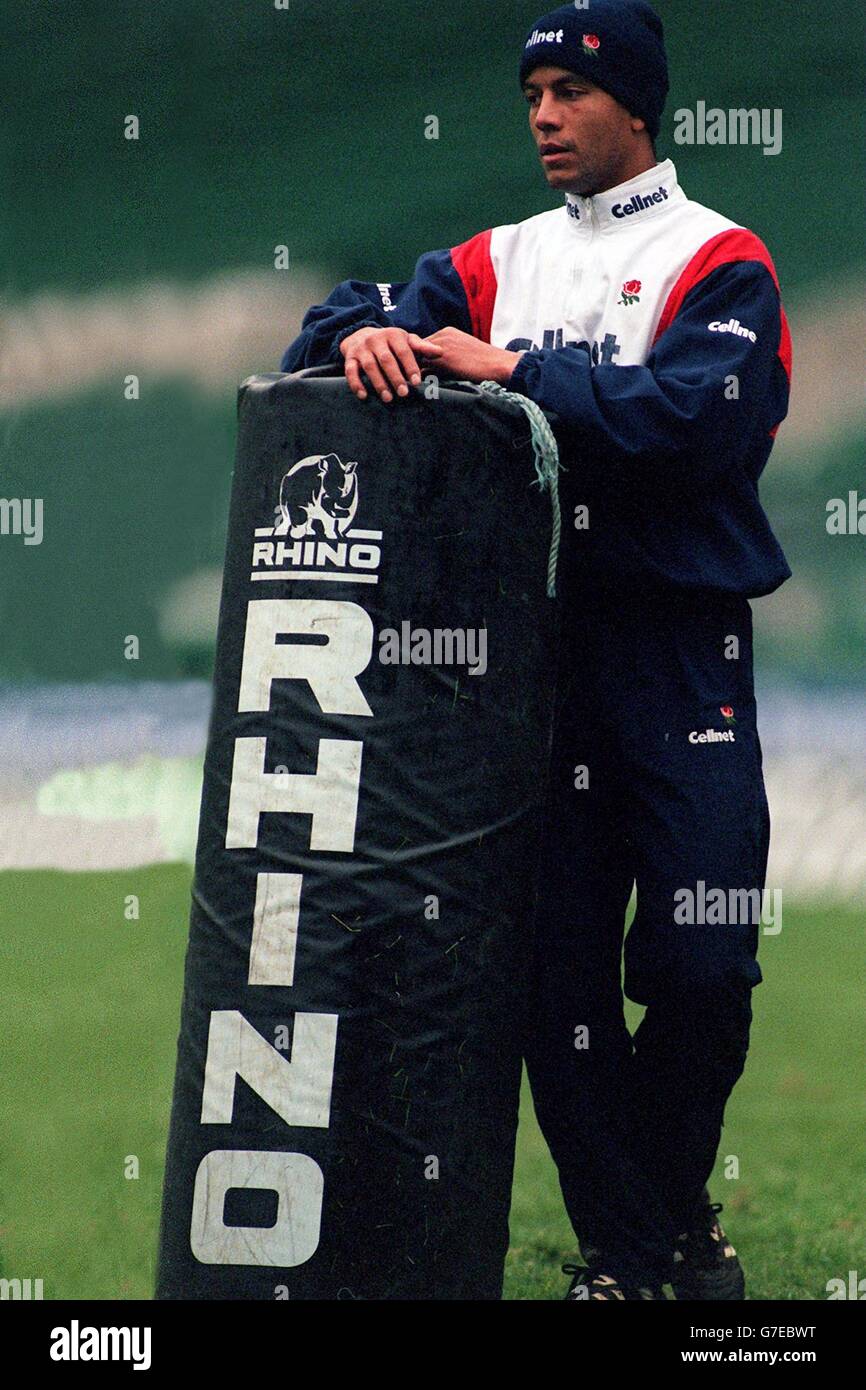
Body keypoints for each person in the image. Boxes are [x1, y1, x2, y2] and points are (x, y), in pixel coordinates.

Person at [280, 0, 792, 1302]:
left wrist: (510, 367)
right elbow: (324, 334)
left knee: (700, 956)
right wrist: (364, 335)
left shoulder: (720, 258)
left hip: (674, 652)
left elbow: (704, 425)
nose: (544, 117)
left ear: (637, 102)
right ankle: (634, 1256)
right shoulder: (489, 252)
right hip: (523, 664)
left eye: (567, 90)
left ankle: (664, 1219)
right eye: (528, 96)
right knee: (549, 980)